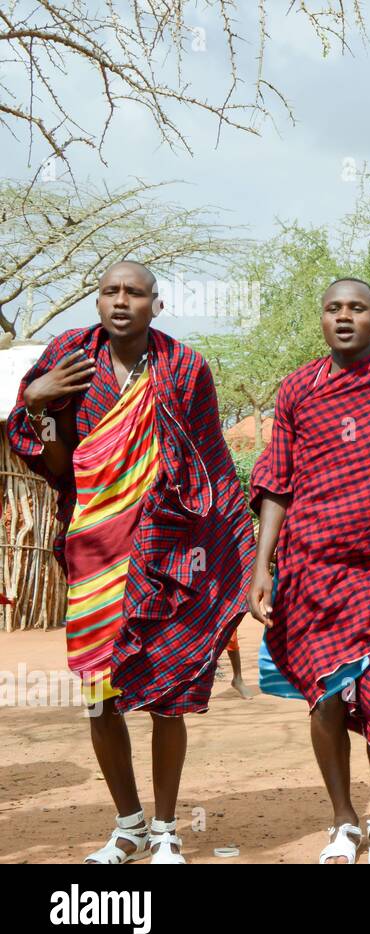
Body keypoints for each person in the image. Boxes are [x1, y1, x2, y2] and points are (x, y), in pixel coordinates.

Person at [8, 260, 254, 863]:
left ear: (156, 305)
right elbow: (62, 468)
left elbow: (206, 466)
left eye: (135, 293)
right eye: (110, 291)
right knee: (101, 693)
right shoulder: (70, 359)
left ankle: (168, 828)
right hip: (94, 550)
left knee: (168, 693)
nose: (121, 301)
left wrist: (226, 552)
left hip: (167, 553)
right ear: (98, 301)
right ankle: (127, 825)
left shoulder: (185, 367)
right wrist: (37, 403)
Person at [248, 277, 370, 864]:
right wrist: (263, 567)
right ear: (321, 319)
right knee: (325, 699)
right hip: (309, 572)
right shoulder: (297, 391)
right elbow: (276, 483)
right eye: (333, 308)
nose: (343, 317)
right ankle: (342, 818)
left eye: (357, 308)